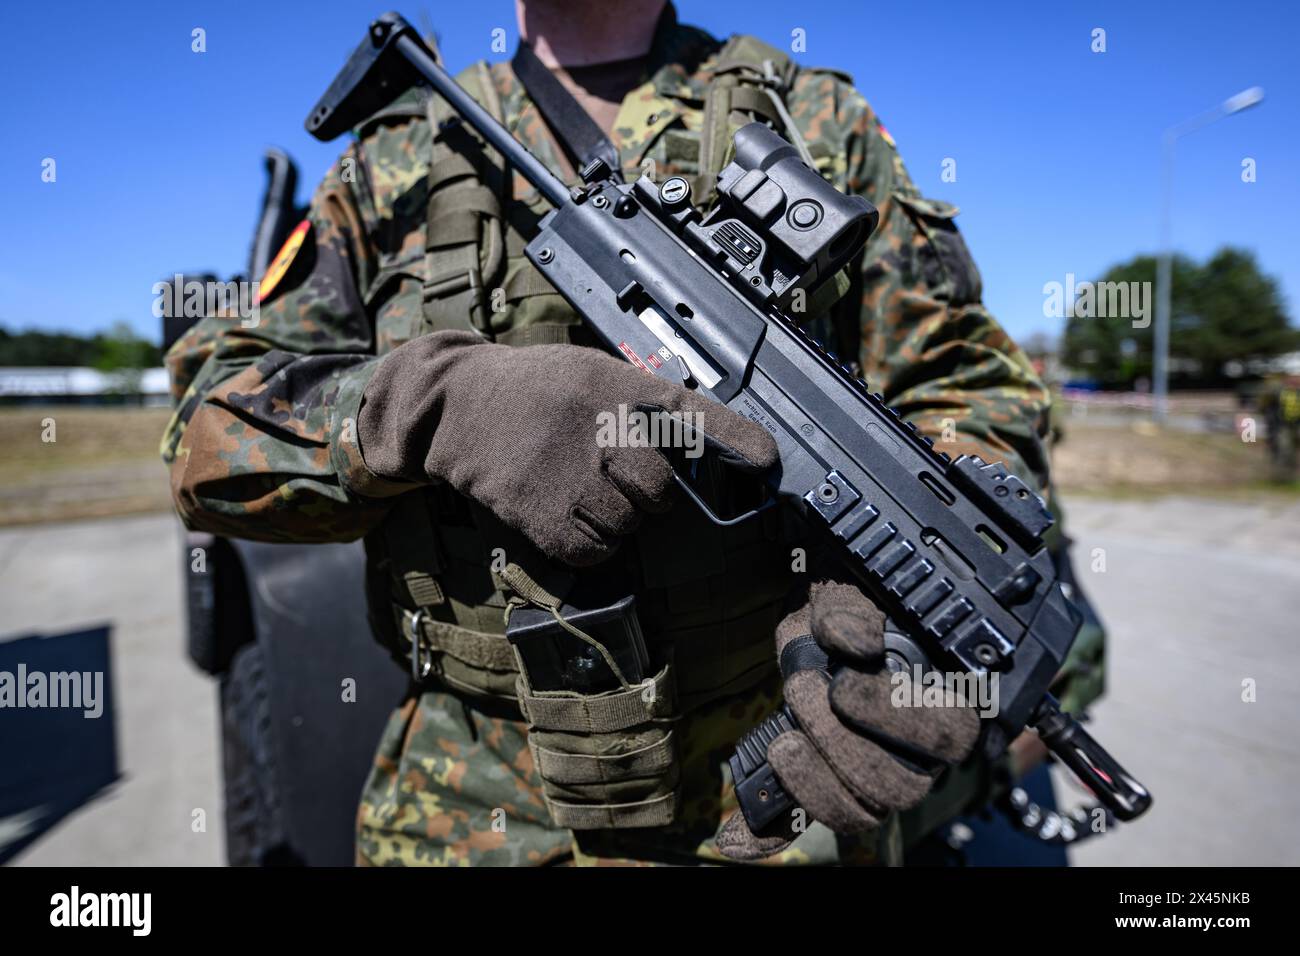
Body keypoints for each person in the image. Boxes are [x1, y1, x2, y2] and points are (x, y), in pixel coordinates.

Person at [162, 0, 1090, 865]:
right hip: (470, 797)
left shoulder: (815, 114)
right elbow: (207, 431)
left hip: (785, 788)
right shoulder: (397, 153)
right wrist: (433, 404)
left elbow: (963, 377)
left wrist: (907, 621)